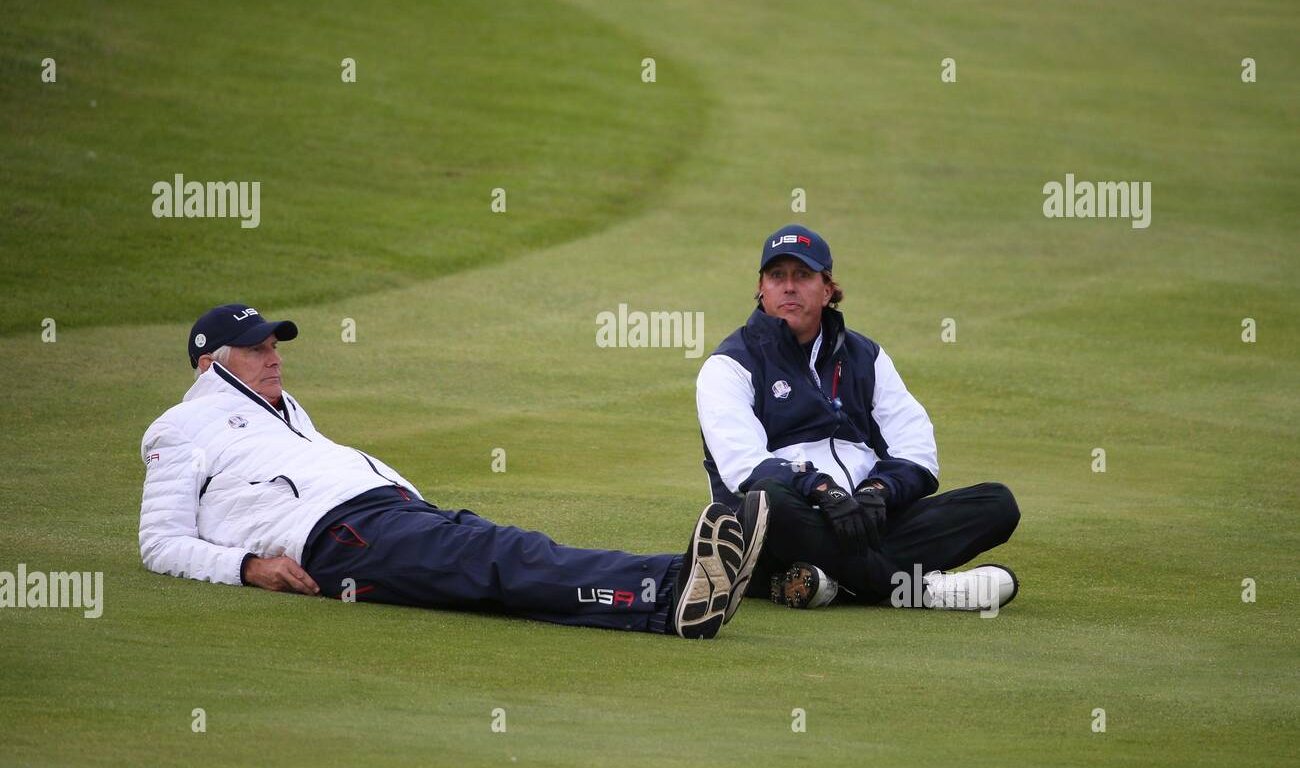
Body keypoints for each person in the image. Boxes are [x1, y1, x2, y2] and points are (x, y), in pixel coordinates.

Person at [139, 303, 769, 639]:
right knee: (503, 558)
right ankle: (671, 586)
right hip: (338, 539)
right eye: (258, 349)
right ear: (209, 366)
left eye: (275, 345)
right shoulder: (182, 426)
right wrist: (247, 567)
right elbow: (159, 542)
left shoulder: (279, 408)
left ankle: (670, 597)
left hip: (383, 513)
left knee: (497, 563)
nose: (274, 357)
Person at [695, 226, 1022, 612]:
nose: (788, 287)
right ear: (762, 288)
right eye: (776, 276)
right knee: (767, 499)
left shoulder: (865, 355)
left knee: (997, 503)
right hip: (787, 524)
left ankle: (831, 581)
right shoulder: (729, 364)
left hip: (865, 522)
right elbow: (744, 467)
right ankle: (913, 590)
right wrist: (820, 488)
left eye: (802, 276)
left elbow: (917, 451)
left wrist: (878, 491)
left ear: (827, 289)